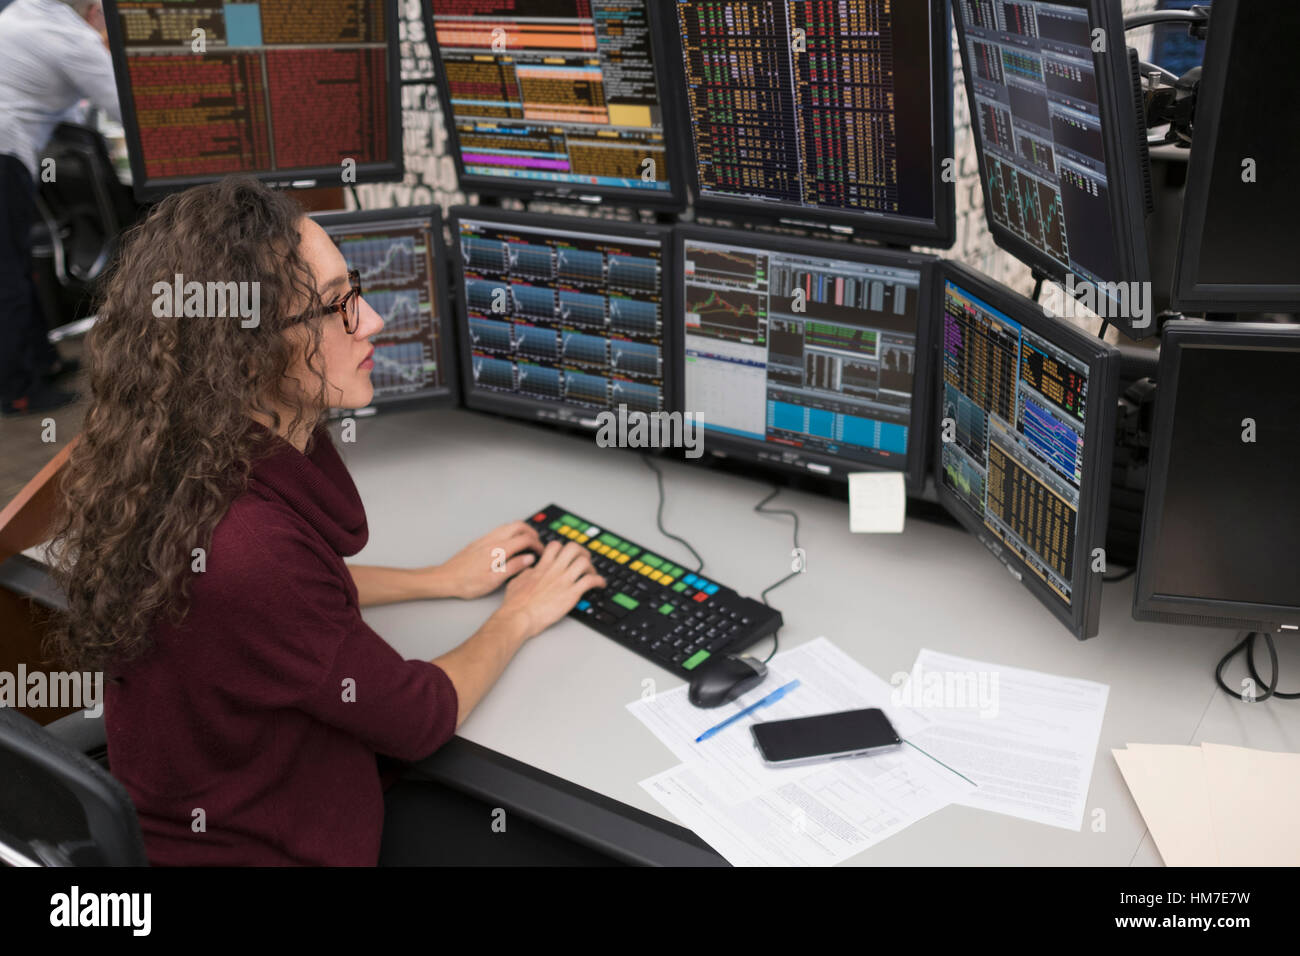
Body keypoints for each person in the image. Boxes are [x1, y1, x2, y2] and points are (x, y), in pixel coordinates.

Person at [45, 177, 608, 865]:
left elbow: (290, 596)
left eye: (355, 289)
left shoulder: (176, 449)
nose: (370, 321)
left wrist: (440, 579)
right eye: (337, 306)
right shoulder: (251, 553)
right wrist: (519, 613)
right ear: (246, 350)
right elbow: (416, 717)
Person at [0, 0, 118, 415]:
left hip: (11, 151)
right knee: (8, 274)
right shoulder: (66, 34)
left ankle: (41, 361)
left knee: (14, 266)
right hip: (4, 153)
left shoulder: (21, 15)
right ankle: (18, 390)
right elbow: (123, 106)